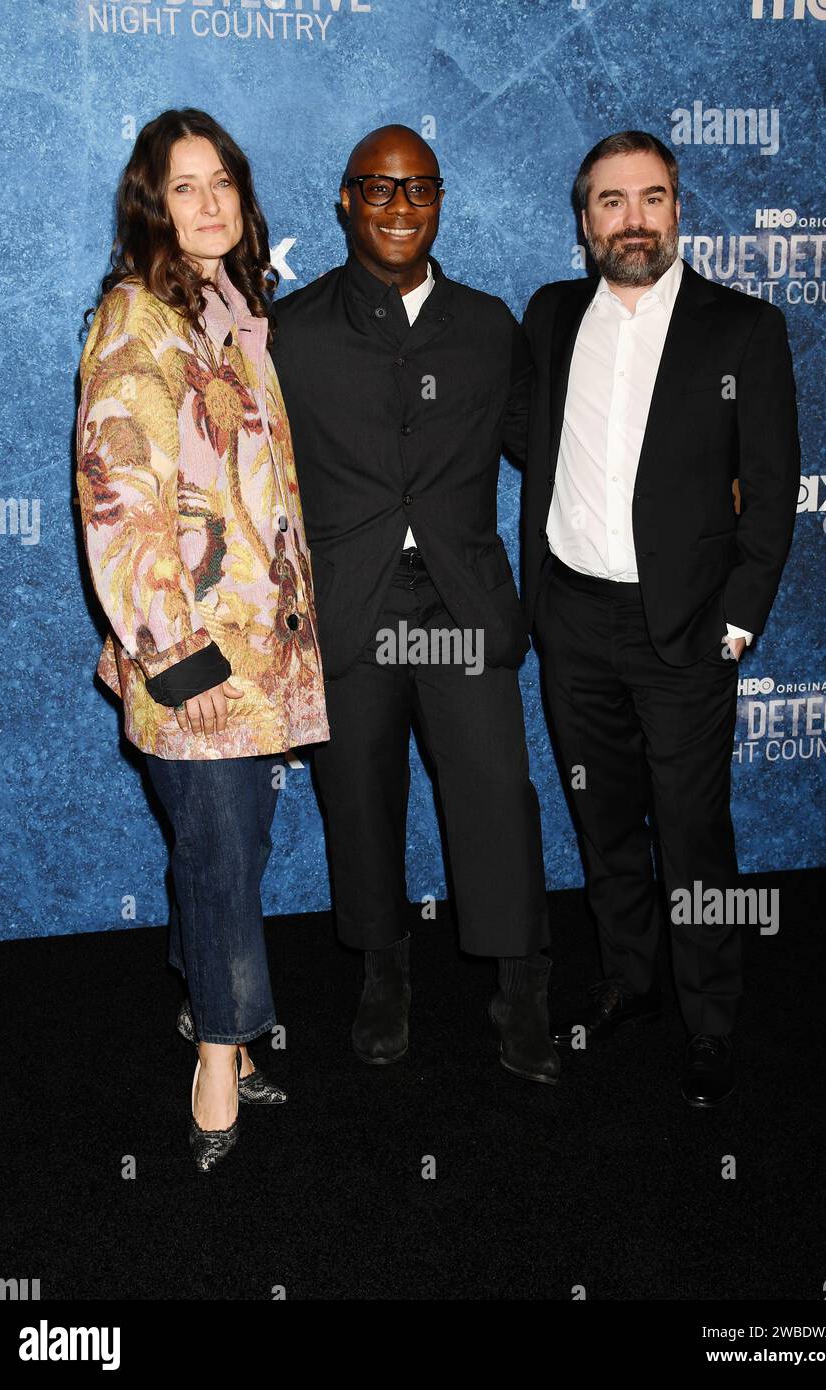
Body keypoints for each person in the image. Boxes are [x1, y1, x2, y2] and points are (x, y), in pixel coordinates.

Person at [270, 125, 558, 1084]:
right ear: (345, 202)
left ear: (441, 202)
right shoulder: (289, 331)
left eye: (419, 190)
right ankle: (383, 976)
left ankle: (523, 992)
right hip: (348, 606)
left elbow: (552, 451)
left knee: (497, 800)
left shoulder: (487, 326)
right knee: (358, 801)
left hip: (458, 603)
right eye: (379, 191)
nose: (400, 208)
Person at [522, 130, 800, 1106]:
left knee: (691, 831)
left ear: (677, 208)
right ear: (584, 220)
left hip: (683, 631)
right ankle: (629, 980)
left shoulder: (742, 329)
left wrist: (736, 623)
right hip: (572, 621)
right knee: (604, 822)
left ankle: (710, 1017)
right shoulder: (550, 316)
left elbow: (770, 493)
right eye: (609, 202)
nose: (630, 220)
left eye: (650, 198)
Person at [76, 109, 329, 1170]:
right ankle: (222, 1055)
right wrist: (173, 658)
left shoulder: (230, 307)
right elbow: (117, 493)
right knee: (222, 854)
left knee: (229, 847)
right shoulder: (140, 317)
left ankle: (200, 1005)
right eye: (185, 186)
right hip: (198, 664)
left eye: (222, 179)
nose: (211, 201)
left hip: (258, 658)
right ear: (151, 204)